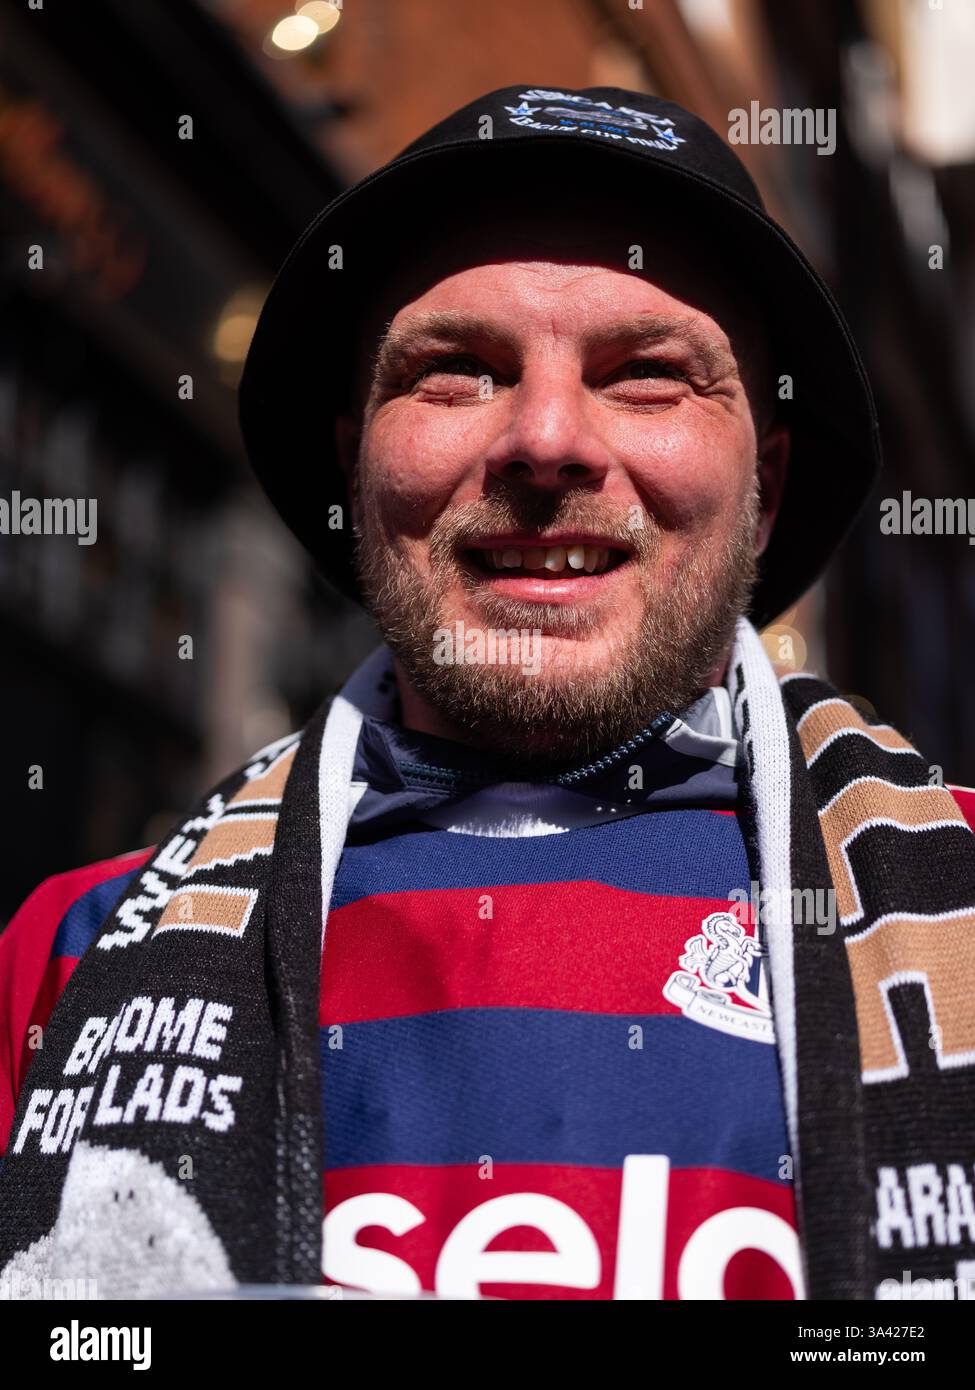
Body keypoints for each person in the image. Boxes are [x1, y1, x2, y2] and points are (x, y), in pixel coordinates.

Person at [2, 85, 974, 1303]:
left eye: (650, 375)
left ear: (765, 492)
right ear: (357, 461)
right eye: (457, 371)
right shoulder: (67, 953)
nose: (546, 439)